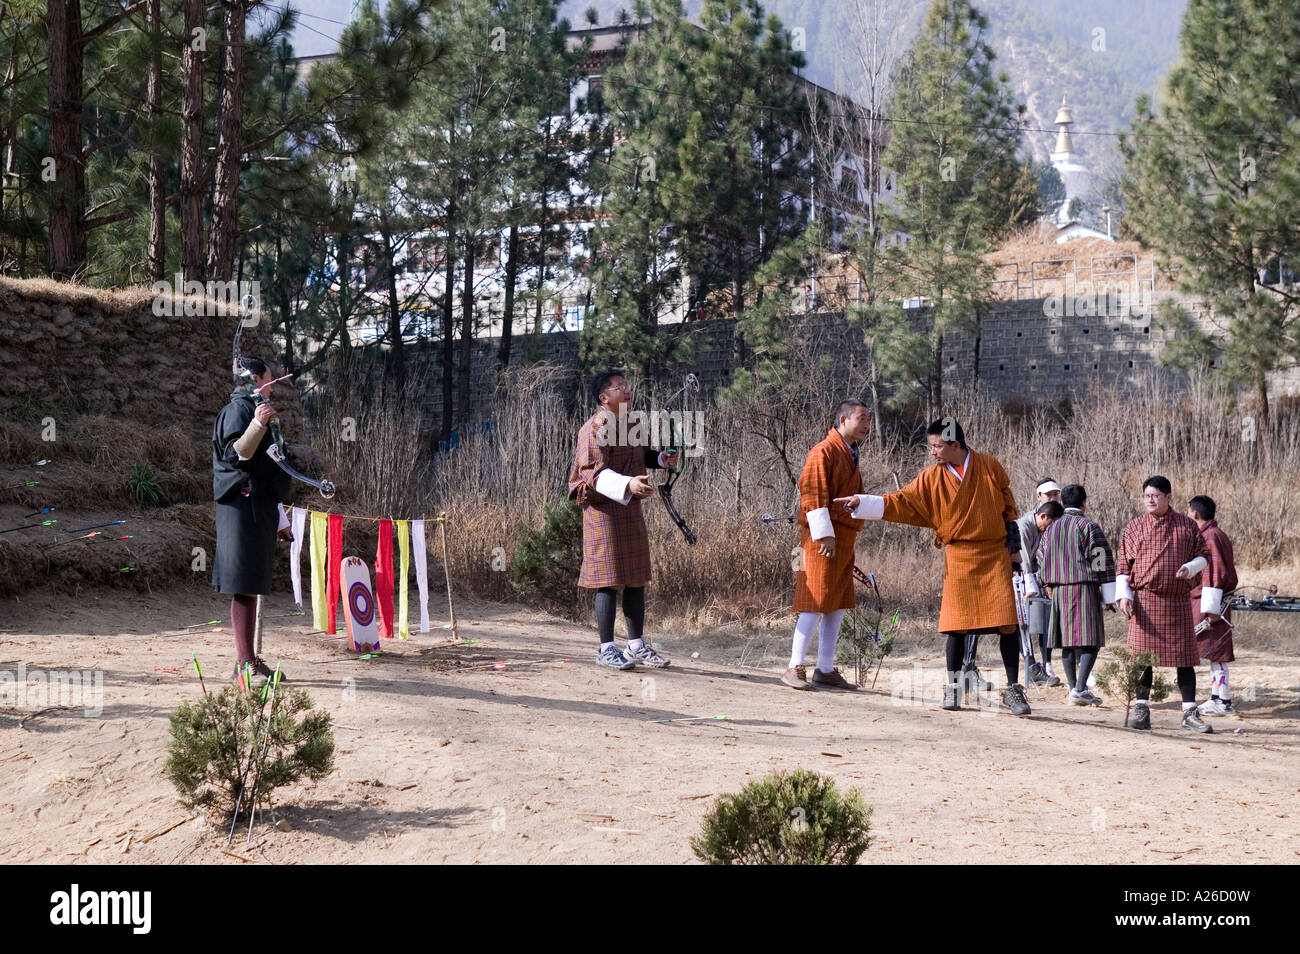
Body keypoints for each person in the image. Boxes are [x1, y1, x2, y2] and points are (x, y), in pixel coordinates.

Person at [834, 418, 1030, 715]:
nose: (933, 452)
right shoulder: (931, 478)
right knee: (956, 625)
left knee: (1008, 625)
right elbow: (902, 501)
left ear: (955, 445)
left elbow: (1009, 511)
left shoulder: (990, 467)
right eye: (931, 446)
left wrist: (1015, 552)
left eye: (937, 446)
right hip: (959, 556)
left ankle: (1014, 690)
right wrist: (863, 502)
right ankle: (953, 688)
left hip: (994, 553)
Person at [568, 371, 677, 671]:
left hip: (629, 509)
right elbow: (593, 473)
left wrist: (660, 459)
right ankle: (605, 648)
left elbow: (640, 455)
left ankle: (636, 646)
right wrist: (628, 485)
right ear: (604, 397)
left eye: (627, 386)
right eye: (619, 388)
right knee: (607, 581)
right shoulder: (593, 429)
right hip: (603, 511)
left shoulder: (632, 423)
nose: (627, 391)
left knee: (635, 578)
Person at [212, 356, 294, 687]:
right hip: (239, 508)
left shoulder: (254, 409)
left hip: (258, 507)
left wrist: (280, 518)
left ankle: (247, 662)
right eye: (269, 380)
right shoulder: (238, 411)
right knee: (243, 585)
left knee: (251, 585)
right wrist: (258, 424)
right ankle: (246, 666)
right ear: (256, 379)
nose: (273, 386)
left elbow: (268, 470)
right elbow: (237, 455)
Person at [783, 400, 872, 691]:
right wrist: (825, 535)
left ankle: (825, 667)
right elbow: (812, 493)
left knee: (838, 604)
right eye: (861, 418)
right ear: (843, 420)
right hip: (822, 538)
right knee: (815, 601)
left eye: (869, 419)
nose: (867, 424)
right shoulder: (823, 451)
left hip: (843, 536)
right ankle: (794, 665)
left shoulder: (849, 452)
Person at [1116, 476, 1212, 733]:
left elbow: (1204, 556)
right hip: (1145, 601)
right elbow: (1123, 566)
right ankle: (1141, 709)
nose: (1150, 499)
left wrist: (1190, 567)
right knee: (1142, 659)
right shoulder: (1134, 527)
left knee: (1185, 659)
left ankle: (1190, 713)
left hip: (1178, 599)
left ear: (1169, 497)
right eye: (1146, 495)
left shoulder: (1186, 525)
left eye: (1155, 495)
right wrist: (1124, 595)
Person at [1035, 485, 1115, 707]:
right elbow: (1100, 560)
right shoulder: (1088, 526)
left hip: (1059, 591)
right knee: (1090, 641)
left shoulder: (1051, 529)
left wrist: (1047, 583)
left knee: (1067, 642)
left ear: (1063, 503)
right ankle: (1080, 689)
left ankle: (1073, 688)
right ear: (1084, 503)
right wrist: (1109, 596)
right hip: (1084, 589)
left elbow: (1040, 558)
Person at [1188, 495, 1238, 717]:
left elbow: (1213, 574)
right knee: (1214, 653)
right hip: (1213, 602)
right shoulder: (1213, 534)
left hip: (1212, 604)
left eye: (1188, 512)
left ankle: (1223, 702)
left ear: (1195, 514)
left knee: (1216, 652)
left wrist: (1211, 611)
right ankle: (1218, 698)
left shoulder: (1210, 537)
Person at [1017, 478, 1064, 685]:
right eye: (1049, 494)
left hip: (1032, 577)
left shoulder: (1045, 524)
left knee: (1039, 624)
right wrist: (1030, 582)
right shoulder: (1026, 525)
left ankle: (1038, 667)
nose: (1054, 497)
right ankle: (1032, 667)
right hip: (1015, 576)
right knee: (1021, 624)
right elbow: (1024, 557)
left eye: (1056, 494)